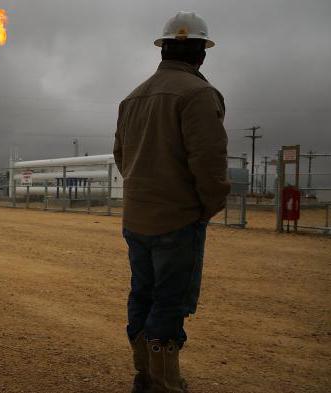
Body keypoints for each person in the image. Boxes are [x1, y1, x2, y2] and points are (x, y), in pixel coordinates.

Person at [112, 11, 231, 393]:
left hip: (137, 217)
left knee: (142, 294)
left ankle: (144, 376)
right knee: (169, 300)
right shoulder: (199, 94)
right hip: (177, 220)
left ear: (162, 49)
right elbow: (209, 162)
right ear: (202, 54)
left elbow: (121, 155)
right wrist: (206, 206)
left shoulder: (132, 98)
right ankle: (164, 383)